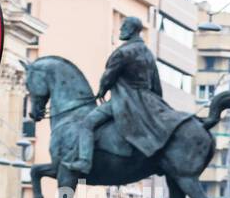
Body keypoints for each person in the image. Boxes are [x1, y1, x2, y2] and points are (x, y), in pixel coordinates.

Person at [67, 16, 189, 176]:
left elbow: (108, 76)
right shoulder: (148, 54)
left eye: (123, 26)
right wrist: (155, 104)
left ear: (131, 29)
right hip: (147, 102)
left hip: (125, 101)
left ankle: (84, 161)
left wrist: (102, 91)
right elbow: (156, 85)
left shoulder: (124, 52)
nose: (120, 29)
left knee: (87, 124)